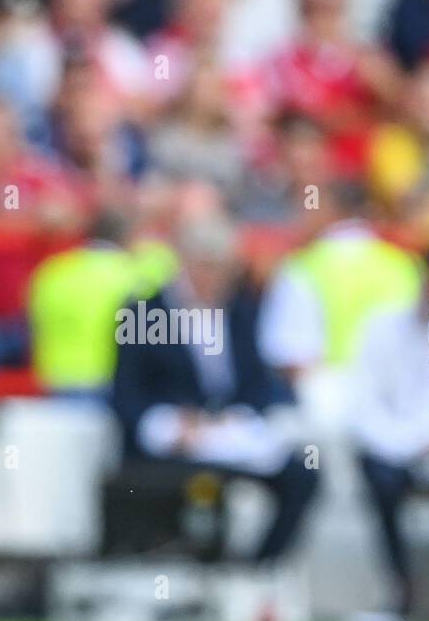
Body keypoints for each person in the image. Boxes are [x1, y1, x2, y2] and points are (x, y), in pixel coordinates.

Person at [111, 213, 318, 563]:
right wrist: (173, 425)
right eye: (209, 267)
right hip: (172, 444)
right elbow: (127, 397)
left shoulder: (241, 311)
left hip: (231, 435)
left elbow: (256, 382)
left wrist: (241, 418)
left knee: (303, 473)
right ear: (186, 264)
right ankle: (186, 563)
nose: (217, 279)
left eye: (225, 268)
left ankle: (256, 569)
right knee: (191, 492)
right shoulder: (144, 313)